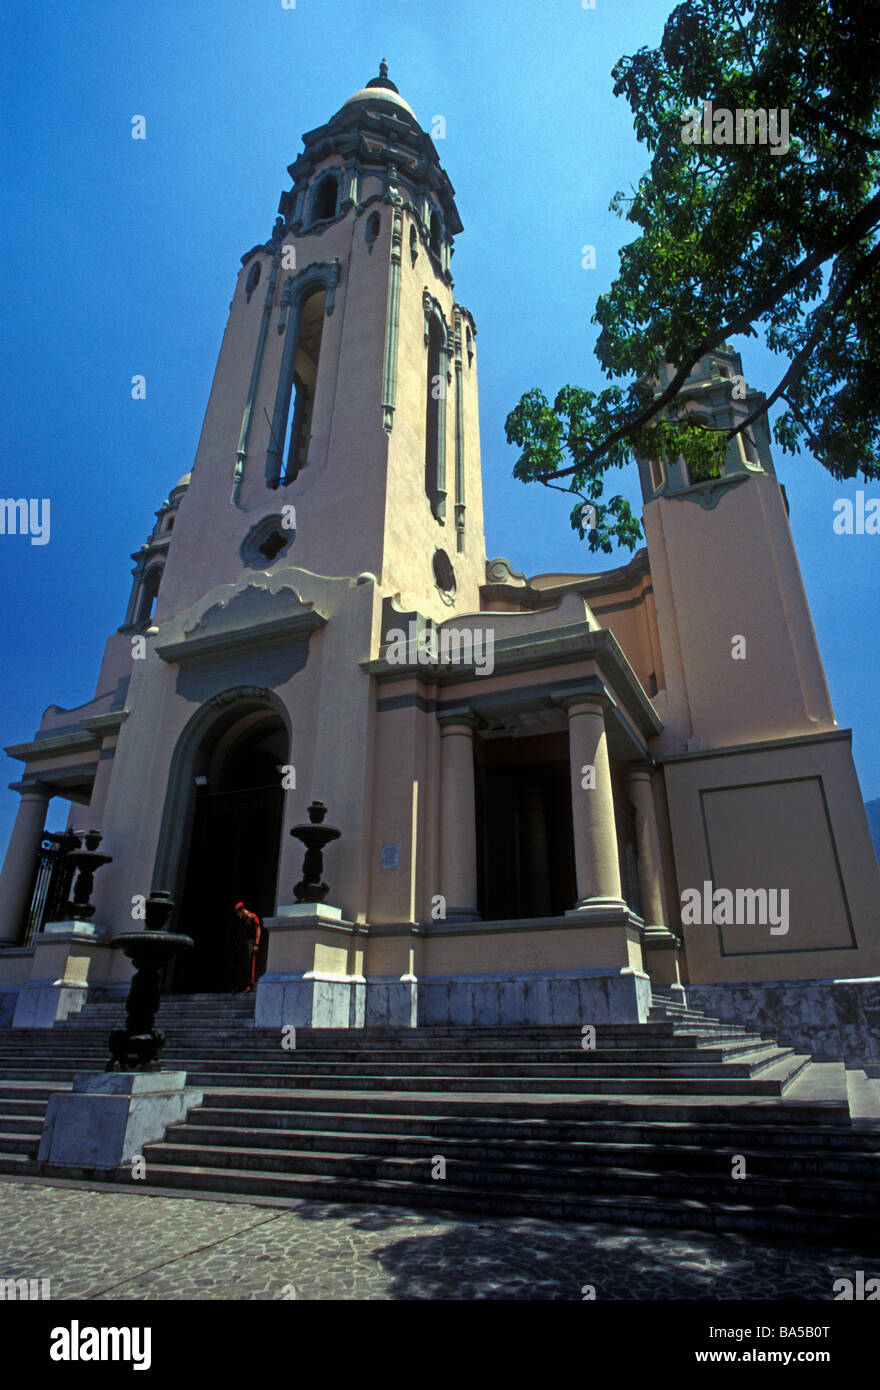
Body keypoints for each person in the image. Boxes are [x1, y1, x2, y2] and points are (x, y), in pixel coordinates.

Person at [232, 901, 262, 993]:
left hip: (250, 942)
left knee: (248, 964)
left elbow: (258, 930)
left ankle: (249, 985)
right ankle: (238, 986)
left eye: (238, 912)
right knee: (240, 964)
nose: (238, 914)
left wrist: (256, 944)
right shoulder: (241, 919)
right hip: (242, 943)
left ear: (242, 910)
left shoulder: (252, 917)